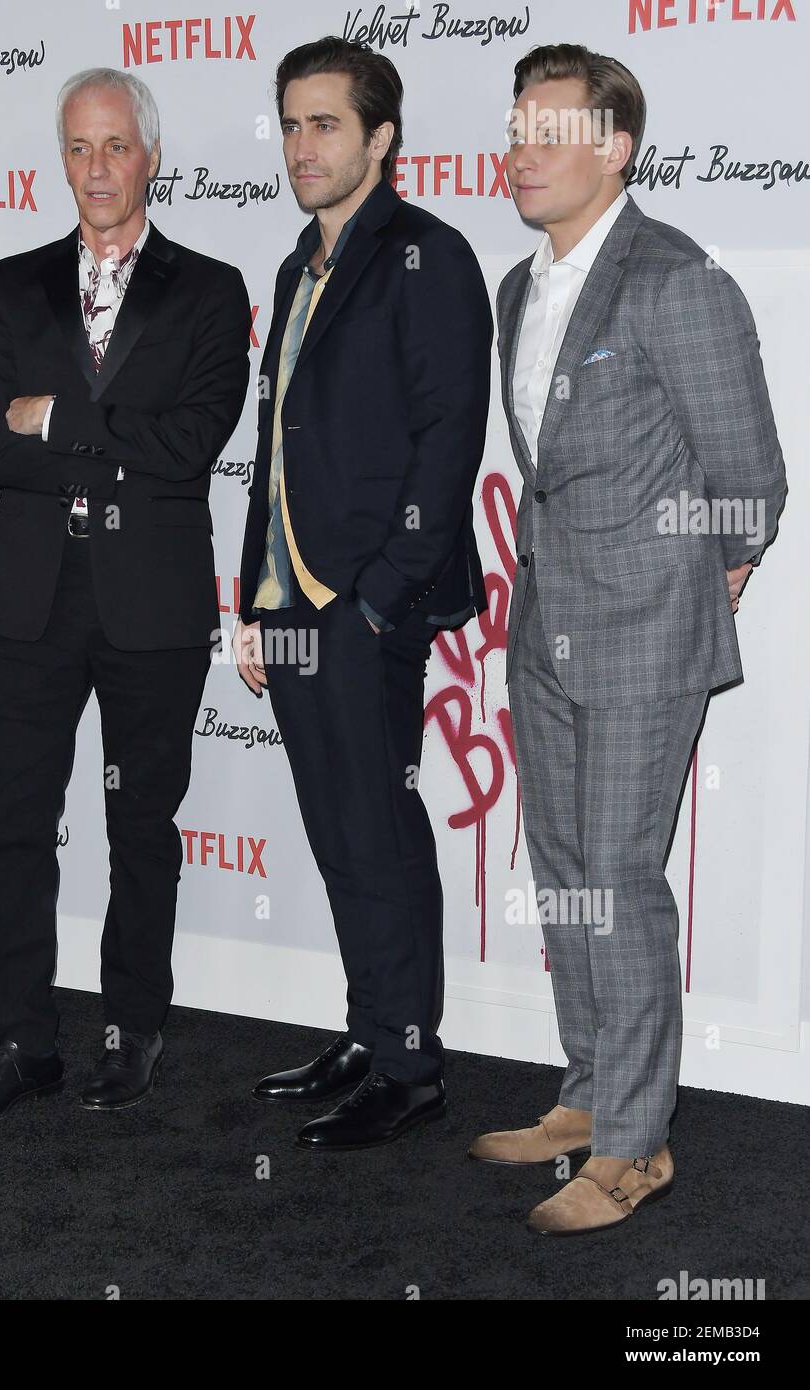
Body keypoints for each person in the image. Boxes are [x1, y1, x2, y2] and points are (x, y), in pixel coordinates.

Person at [469, 43, 787, 1235]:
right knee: (564, 878)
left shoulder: (675, 278)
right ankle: (593, 1097)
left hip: (645, 634)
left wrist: (687, 583)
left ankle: (639, 1145)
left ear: (617, 147)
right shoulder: (517, 287)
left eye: (552, 129)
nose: (523, 150)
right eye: (514, 127)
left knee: (617, 879)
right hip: (543, 626)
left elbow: (751, 483)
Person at [0, 68, 251, 1126]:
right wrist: (70, 438)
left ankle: (130, 1029)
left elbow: (190, 447)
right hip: (31, 600)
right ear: (60, 159)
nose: (97, 168)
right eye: (78, 148)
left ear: (150, 155)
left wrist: (55, 421)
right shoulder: (10, 287)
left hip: (150, 603)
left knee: (139, 825)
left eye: (116, 146)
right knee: (11, 822)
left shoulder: (209, 289)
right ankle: (25, 1040)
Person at [234, 36, 492, 1152]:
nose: (303, 145)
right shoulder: (299, 266)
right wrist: (255, 596)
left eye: (325, 123)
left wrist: (378, 598)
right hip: (290, 607)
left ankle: (411, 1064)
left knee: (379, 830)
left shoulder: (432, 255)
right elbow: (275, 446)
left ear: (382, 138)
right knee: (337, 829)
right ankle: (367, 1025)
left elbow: (448, 443)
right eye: (290, 123)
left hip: (367, 607)